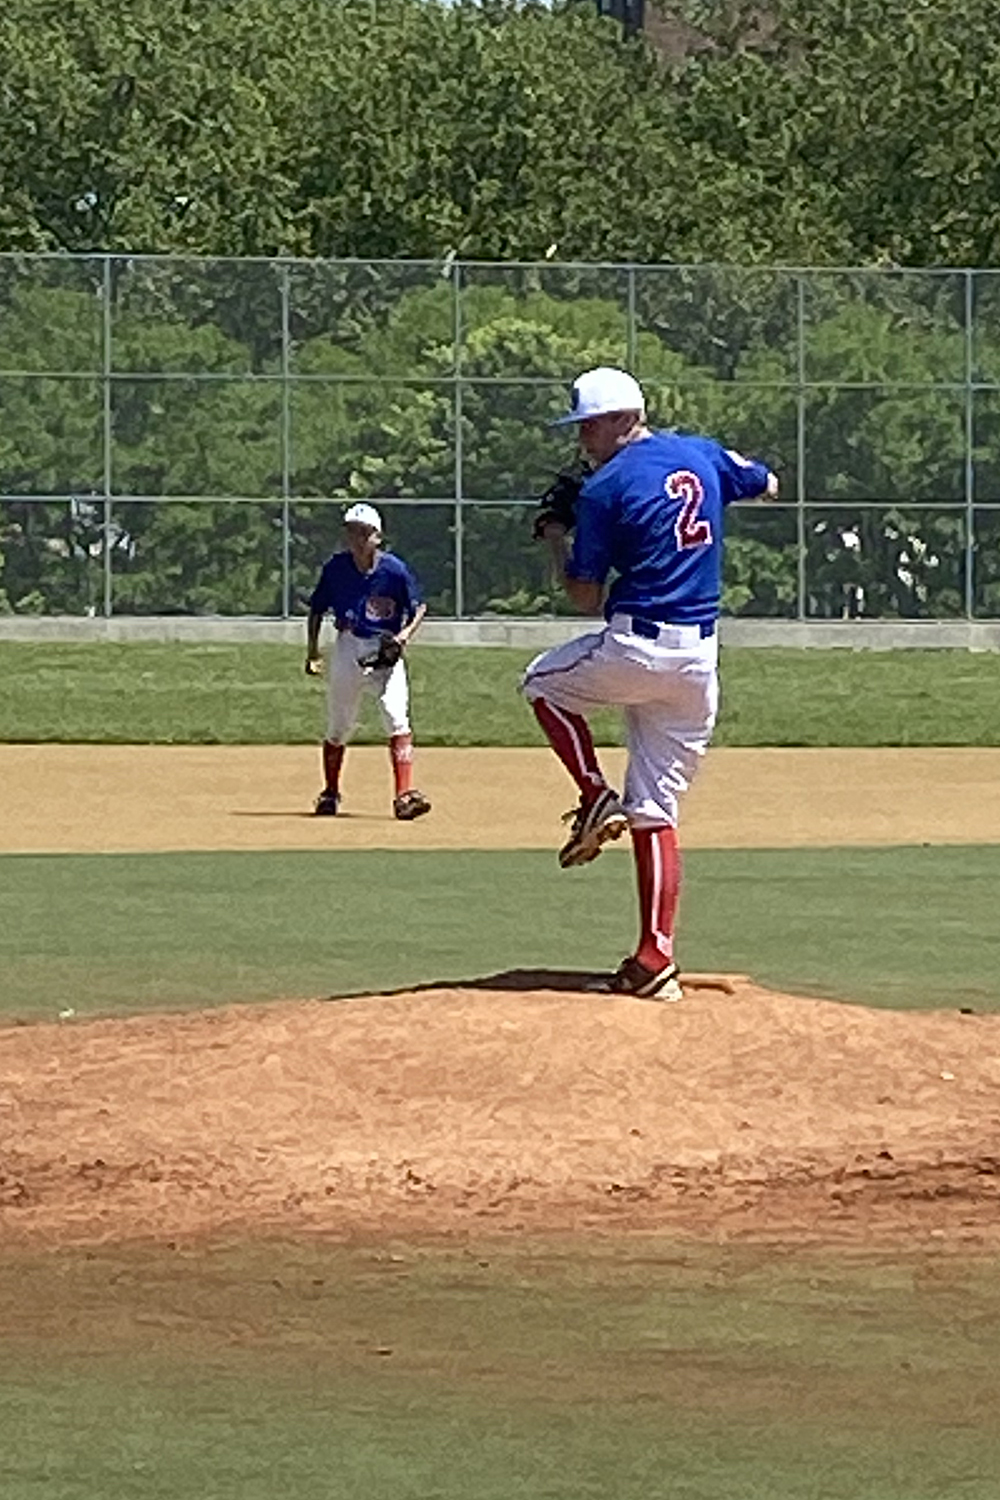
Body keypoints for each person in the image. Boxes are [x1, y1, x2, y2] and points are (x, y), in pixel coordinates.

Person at [522, 366, 778, 1000]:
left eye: (588, 425)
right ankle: (653, 960)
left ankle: (592, 793)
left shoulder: (603, 490)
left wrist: (556, 536)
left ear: (620, 419)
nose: (581, 438)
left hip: (636, 646)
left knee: (541, 685)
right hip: (697, 666)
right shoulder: (700, 453)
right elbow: (767, 481)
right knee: (656, 812)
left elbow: (584, 597)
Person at [305, 502, 432, 821]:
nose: (357, 538)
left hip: (385, 649)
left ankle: (403, 796)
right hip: (348, 646)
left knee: (396, 717)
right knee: (339, 726)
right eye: (351, 531)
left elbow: (419, 607)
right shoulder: (336, 568)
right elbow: (317, 608)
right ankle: (330, 793)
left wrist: (403, 637)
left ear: (378, 536)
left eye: (363, 532)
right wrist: (312, 651)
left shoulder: (394, 570)